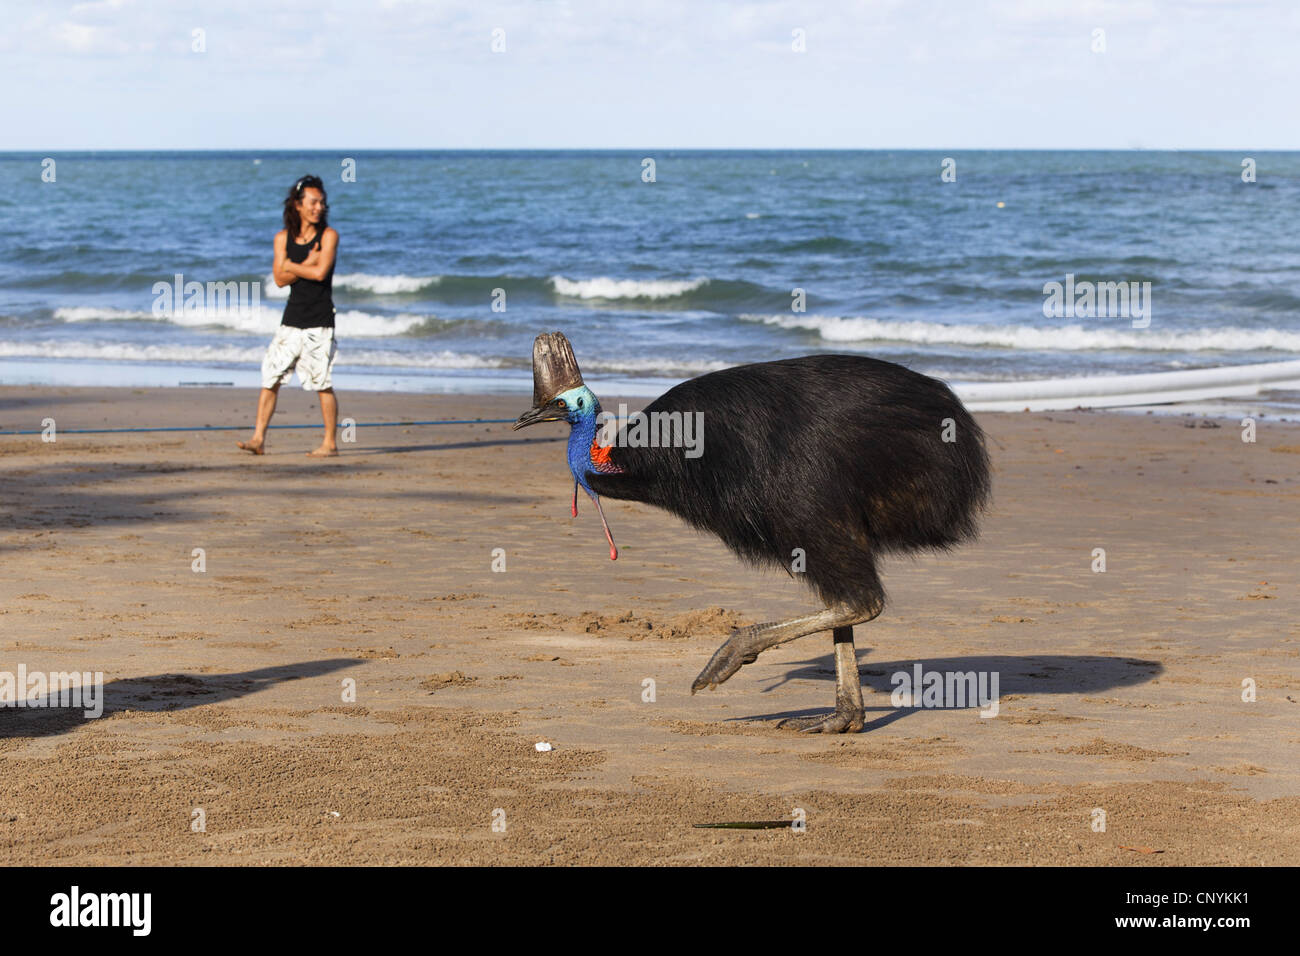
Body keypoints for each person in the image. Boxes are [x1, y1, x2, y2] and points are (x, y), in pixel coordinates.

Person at [238, 174, 340, 457]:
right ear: (297, 204)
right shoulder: (282, 238)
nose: (318, 207)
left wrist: (294, 265)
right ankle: (258, 439)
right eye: (313, 202)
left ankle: (330, 443)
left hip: (320, 320)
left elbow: (319, 273)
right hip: (291, 319)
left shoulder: (329, 236)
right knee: (270, 376)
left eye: (322, 202)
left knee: (321, 383)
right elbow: (279, 279)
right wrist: (304, 262)